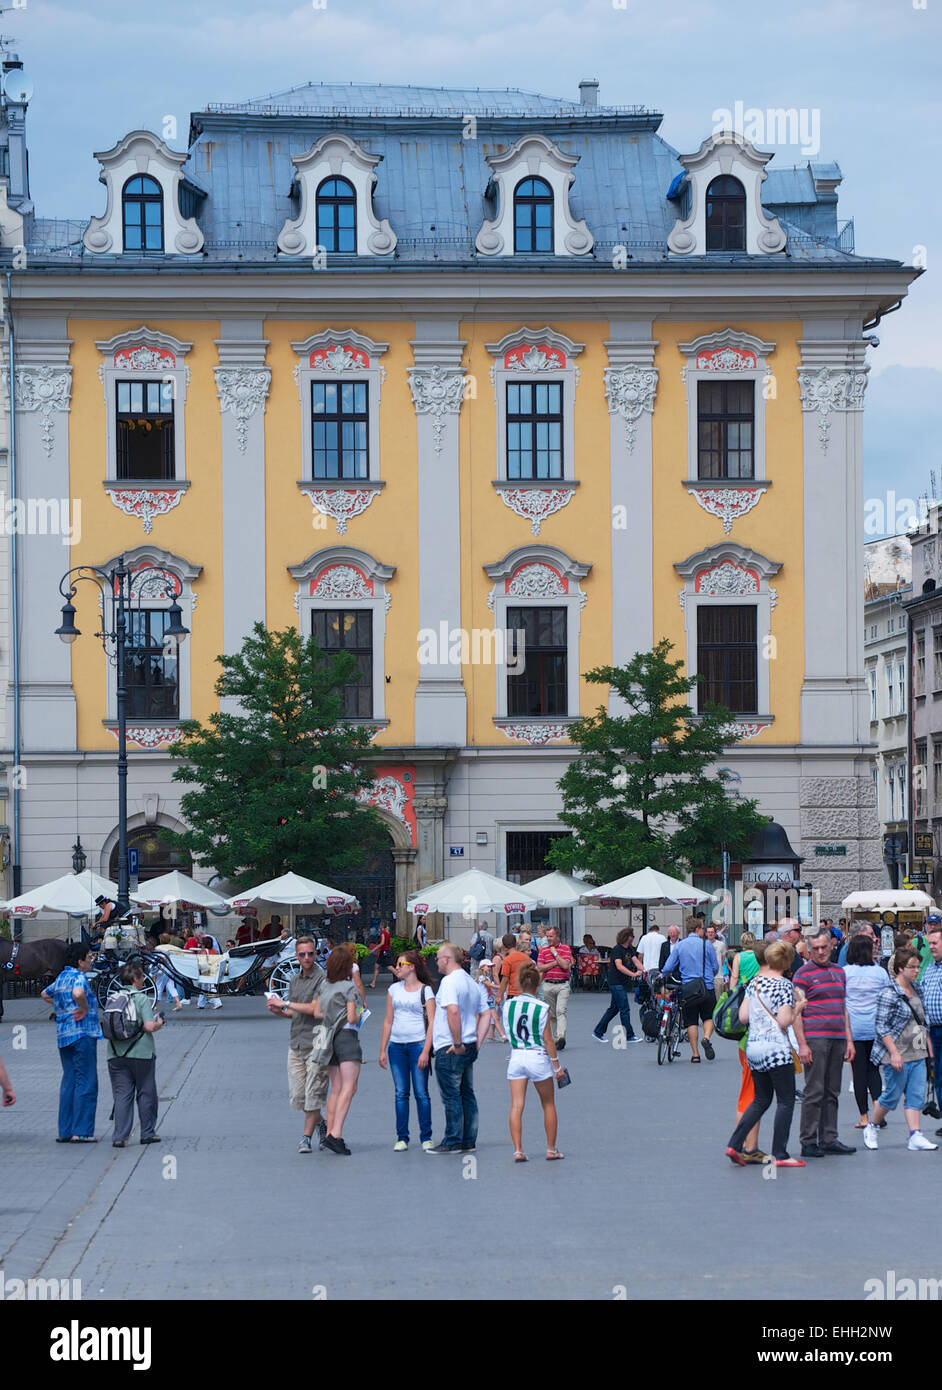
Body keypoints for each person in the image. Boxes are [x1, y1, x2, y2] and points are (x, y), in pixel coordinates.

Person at [726, 940, 804, 1167]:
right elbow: (784, 1020)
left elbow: (743, 1017)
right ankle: (780, 1153)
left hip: (754, 1048)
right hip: (776, 1050)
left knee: (760, 1099)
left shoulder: (755, 983)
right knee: (786, 1100)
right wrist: (798, 1009)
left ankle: (735, 1143)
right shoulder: (784, 985)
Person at [864, 948, 938, 1151]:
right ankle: (872, 1126)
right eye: (912, 967)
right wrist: (894, 1053)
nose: (916, 971)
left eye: (917, 967)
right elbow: (881, 1026)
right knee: (892, 1096)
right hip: (895, 1052)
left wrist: (928, 1049)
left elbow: (922, 1021)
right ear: (899, 968)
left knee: (916, 1094)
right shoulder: (889, 992)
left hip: (917, 1049)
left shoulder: (917, 989)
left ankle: (915, 1134)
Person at [792, 928, 856, 1158]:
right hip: (816, 1038)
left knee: (832, 1090)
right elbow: (796, 1012)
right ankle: (808, 1141)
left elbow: (843, 1008)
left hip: (837, 1037)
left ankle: (829, 1138)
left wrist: (849, 1040)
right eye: (815, 948)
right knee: (814, 1090)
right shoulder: (802, 974)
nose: (820, 952)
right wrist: (802, 1044)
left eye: (823, 947)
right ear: (809, 950)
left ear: (831, 946)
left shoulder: (839, 972)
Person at [426, 941, 490, 1155]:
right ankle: (468, 1139)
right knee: (466, 1093)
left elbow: (452, 1011)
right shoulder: (470, 982)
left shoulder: (449, 982)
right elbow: (486, 1013)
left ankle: (452, 1139)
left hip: (451, 1045)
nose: (436, 962)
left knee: (451, 1094)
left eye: (437, 958)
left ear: (446, 959)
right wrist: (477, 1041)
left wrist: (457, 1042)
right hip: (469, 1043)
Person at [266, 935, 328, 1154]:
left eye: (311, 953)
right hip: (296, 1042)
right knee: (298, 1096)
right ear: (296, 956)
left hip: (317, 1042)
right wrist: (279, 1011)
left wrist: (287, 1003)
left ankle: (306, 1138)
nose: (307, 958)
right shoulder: (294, 981)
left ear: (316, 954)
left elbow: (315, 1009)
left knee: (313, 1094)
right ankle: (322, 1124)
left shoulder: (323, 979)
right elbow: (294, 1013)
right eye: (302, 954)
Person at [503, 962, 565, 1162]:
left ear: (519, 983)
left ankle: (518, 1150)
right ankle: (551, 1148)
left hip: (517, 1055)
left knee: (516, 1105)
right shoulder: (542, 1007)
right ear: (537, 985)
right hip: (537, 1056)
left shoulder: (509, 1005)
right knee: (548, 1104)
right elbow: (548, 1039)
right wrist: (556, 1066)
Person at [41, 942, 103, 1143]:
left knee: (69, 1081)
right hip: (82, 1033)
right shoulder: (78, 976)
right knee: (86, 1081)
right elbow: (78, 993)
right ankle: (82, 1131)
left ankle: (66, 1131)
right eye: (89, 957)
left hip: (63, 1035)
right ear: (80, 961)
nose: (91, 960)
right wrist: (82, 1008)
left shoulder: (61, 977)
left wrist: (62, 1006)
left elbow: (45, 994)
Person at [378, 949, 436, 1151]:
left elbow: (432, 1023)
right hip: (396, 1045)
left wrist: (425, 1051)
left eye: (400, 965)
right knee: (401, 1093)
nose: (397, 968)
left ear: (411, 967)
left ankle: (426, 1136)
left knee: (421, 1093)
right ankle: (402, 1137)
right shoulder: (394, 990)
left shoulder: (425, 991)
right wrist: (382, 1049)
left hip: (418, 1043)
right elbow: (388, 1020)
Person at [107, 962, 165, 1147]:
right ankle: (147, 1133)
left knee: (122, 1095)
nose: (142, 980)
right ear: (135, 979)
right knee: (146, 1092)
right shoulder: (141, 999)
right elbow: (148, 1026)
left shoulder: (113, 997)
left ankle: (120, 1136)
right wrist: (159, 1023)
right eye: (141, 977)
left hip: (115, 1054)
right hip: (141, 1053)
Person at [312, 947, 362, 1155]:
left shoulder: (323, 985)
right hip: (346, 1036)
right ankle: (336, 1134)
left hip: (326, 1036)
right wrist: (360, 1012)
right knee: (349, 1088)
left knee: (336, 1088)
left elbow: (317, 1012)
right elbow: (352, 1018)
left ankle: (329, 1133)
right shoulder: (349, 987)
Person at [843, 933, 891, 1131]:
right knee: (874, 1071)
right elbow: (887, 997)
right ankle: (878, 1113)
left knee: (858, 1073)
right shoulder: (880, 972)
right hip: (875, 1027)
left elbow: (842, 1001)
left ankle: (863, 1117)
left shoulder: (845, 972)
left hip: (853, 1027)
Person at [660, 918, 719, 1063]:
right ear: (698, 929)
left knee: (691, 1021)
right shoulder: (707, 945)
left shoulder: (680, 945)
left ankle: (695, 1055)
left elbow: (668, 967)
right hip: (706, 987)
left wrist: (663, 975)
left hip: (688, 988)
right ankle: (706, 1038)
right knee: (708, 1017)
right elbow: (715, 966)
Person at [592, 927, 643, 1044]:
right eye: (632, 936)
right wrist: (633, 974)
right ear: (627, 937)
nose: (633, 938)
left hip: (622, 982)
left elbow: (636, 961)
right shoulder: (617, 950)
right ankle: (630, 1035)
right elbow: (619, 966)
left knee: (614, 1009)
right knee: (624, 1008)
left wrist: (645, 970)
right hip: (616, 982)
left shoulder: (630, 949)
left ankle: (598, 1031)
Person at [536, 926, 574, 1050]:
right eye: (547, 936)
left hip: (563, 984)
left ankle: (561, 1036)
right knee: (552, 1014)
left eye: (551, 936)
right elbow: (540, 968)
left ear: (557, 936)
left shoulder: (565, 948)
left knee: (560, 1011)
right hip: (548, 985)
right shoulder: (543, 950)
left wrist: (555, 953)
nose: (548, 938)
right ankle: (557, 1039)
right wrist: (554, 962)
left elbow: (565, 965)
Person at [921, 924, 942, 1134]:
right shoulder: (929, 969)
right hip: (932, 1032)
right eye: (930, 943)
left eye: (935, 943)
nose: (931, 947)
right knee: (938, 1076)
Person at [495, 932, 531, 1008]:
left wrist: (499, 996)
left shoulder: (507, 960)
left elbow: (505, 979)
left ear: (504, 946)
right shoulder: (526, 958)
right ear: (516, 943)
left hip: (513, 993)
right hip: (526, 992)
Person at [478, 957, 508, 1043]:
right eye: (488, 966)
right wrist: (501, 987)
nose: (490, 968)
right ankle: (501, 1035)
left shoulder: (486, 977)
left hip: (488, 1000)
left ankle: (502, 1035)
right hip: (484, 1001)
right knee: (491, 1018)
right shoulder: (482, 977)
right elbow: (489, 985)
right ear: (482, 967)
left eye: (490, 967)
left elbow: (490, 990)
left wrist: (498, 993)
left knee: (495, 1018)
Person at [368, 919, 392, 989]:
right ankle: (373, 983)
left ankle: (402, 979)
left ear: (381, 925)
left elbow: (382, 943)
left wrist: (374, 949)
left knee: (390, 967)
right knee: (377, 966)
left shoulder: (383, 932)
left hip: (383, 951)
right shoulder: (387, 932)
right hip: (385, 951)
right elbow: (389, 943)